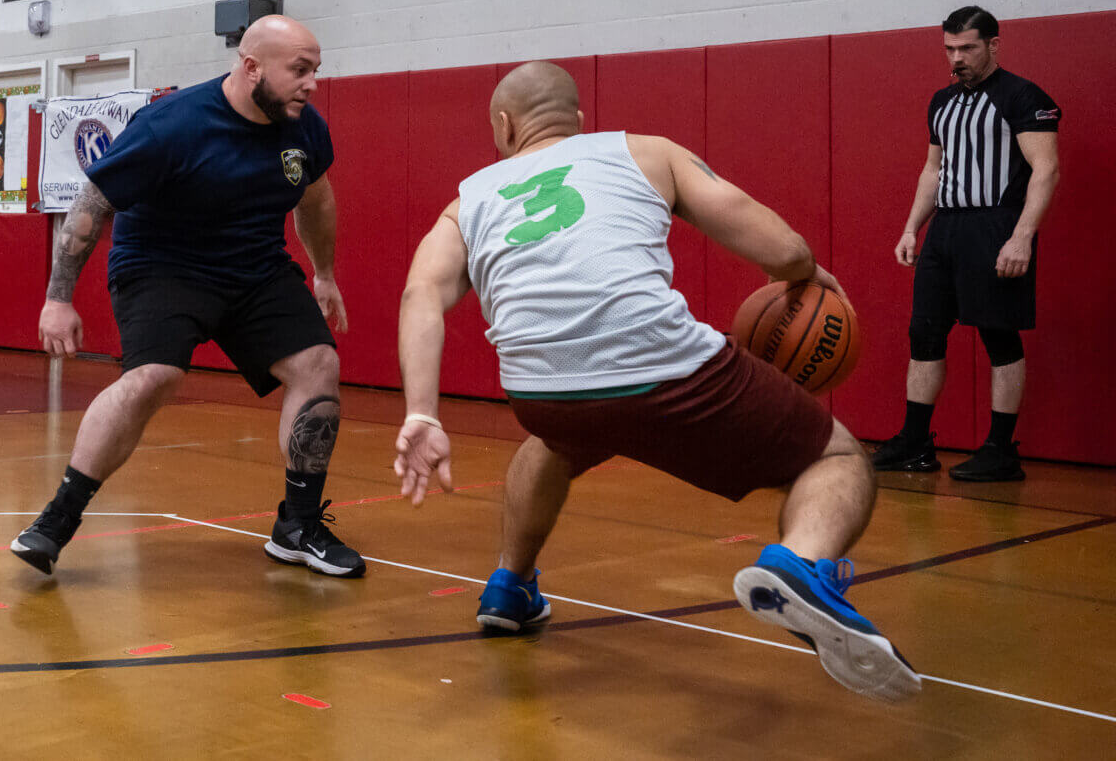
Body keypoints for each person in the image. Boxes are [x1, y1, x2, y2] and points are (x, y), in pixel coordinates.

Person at [392, 61, 920, 703]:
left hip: (542, 394)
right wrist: (805, 272)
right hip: (662, 367)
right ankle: (801, 564)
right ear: (578, 120)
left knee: (553, 443)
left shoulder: (468, 199)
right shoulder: (645, 152)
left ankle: (510, 586)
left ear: (504, 126)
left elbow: (421, 294)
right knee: (836, 457)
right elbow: (779, 249)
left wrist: (422, 413)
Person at [11, 15, 361, 580]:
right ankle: (57, 519)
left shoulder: (304, 128)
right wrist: (58, 298)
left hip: (255, 267)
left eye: (315, 70)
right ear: (252, 67)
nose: (312, 84)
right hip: (161, 265)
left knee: (318, 364)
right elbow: (92, 203)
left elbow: (315, 199)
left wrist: (324, 273)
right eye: (300, 70)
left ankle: (297, 528)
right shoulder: (170, 124)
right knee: (155, 376)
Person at [877, 7, 1061, 483]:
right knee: (924, 333)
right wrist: (911, 228)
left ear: (993, 45)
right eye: (949, 49)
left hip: (996, 225)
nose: (956, 58)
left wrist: (1022, 236)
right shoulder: (942, 101)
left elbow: (1046, 169)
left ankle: (1001, 450)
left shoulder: (1023, 96)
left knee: (999, 335)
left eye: (967, 48)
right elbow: (932, 170)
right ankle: (915, 442)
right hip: (947, 229)